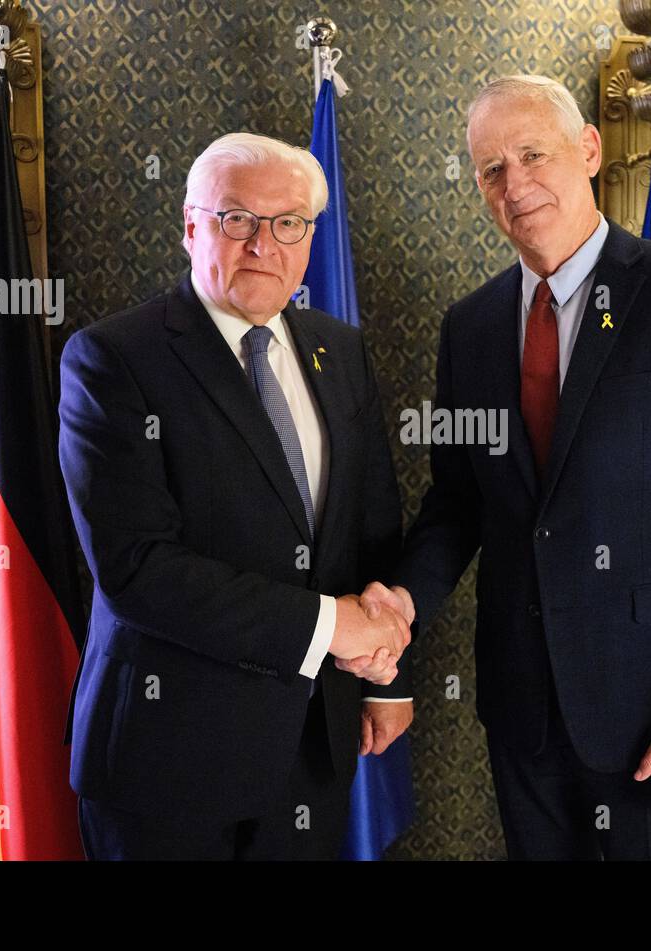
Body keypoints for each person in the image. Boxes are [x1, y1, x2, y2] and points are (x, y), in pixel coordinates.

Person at [357, 75, 651, 860]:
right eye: (492, 169)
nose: (515, 185)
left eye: (532, 154)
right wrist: (400, 602)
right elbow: (457, 505)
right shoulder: (472, 327)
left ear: (588, 150)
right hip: (524, 714)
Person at [58, 132, 413, 860]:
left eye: (287, 223)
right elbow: (138, 570)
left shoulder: (338, 349)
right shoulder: (112, 360)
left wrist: (382, 673)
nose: (263, 244)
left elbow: (370, 527)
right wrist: (331, 627)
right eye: (236, 219)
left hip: (312, 750)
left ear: (309, 238)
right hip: (167, 767)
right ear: (191, 227)